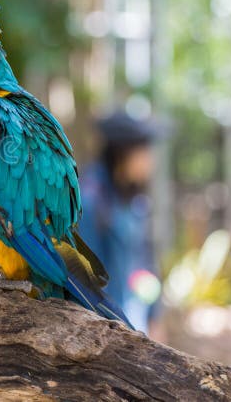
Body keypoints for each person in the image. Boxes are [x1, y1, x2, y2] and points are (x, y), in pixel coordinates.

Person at [77, 111, 162, 334]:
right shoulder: (90, 199)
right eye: (144, 153)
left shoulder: (133, 198)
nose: (150, 161)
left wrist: (155, 315)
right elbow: (87, 279)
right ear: (124, 154)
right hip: (104, 329)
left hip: (134, 321)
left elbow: (145, 259)